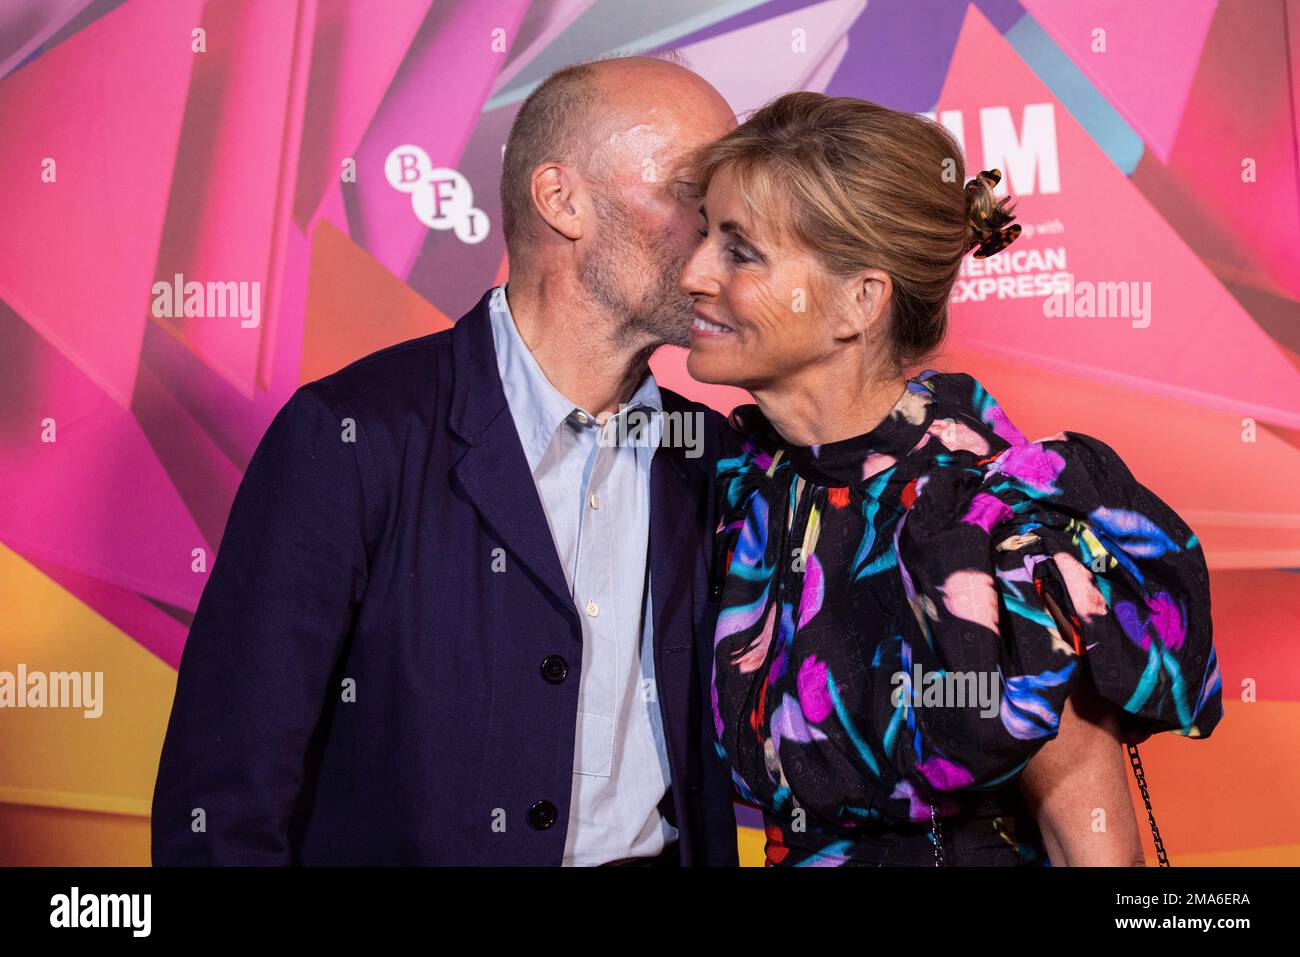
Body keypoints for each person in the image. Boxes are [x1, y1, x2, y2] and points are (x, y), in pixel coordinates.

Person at [151, 54, 740, 866]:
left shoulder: (717, 459)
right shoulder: (350, 438)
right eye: (689, 191)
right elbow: (224, 804)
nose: (724, 231)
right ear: (561, 200)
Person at [680, 91, 1223, 866]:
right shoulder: (744, 484)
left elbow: (1095, 852)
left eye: (740, 251)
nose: (694, 273)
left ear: (858, 302)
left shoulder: (986, 527)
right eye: (703, 234)